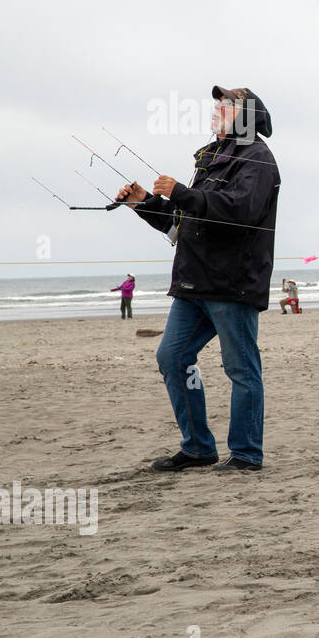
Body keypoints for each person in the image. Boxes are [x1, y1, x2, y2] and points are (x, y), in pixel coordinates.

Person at [114, 85, 280, 473]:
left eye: (227, 105)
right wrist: (145, 203)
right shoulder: (210, 157)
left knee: (241, 369)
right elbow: (186, 224)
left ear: (246, 115)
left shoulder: (258, 158)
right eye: (217, 105)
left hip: (232, 284)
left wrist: (183, 193)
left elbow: (240, 211)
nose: (217, 110)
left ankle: (245, 454)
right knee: (172, 358)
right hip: (193, 283)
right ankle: (199, 448)